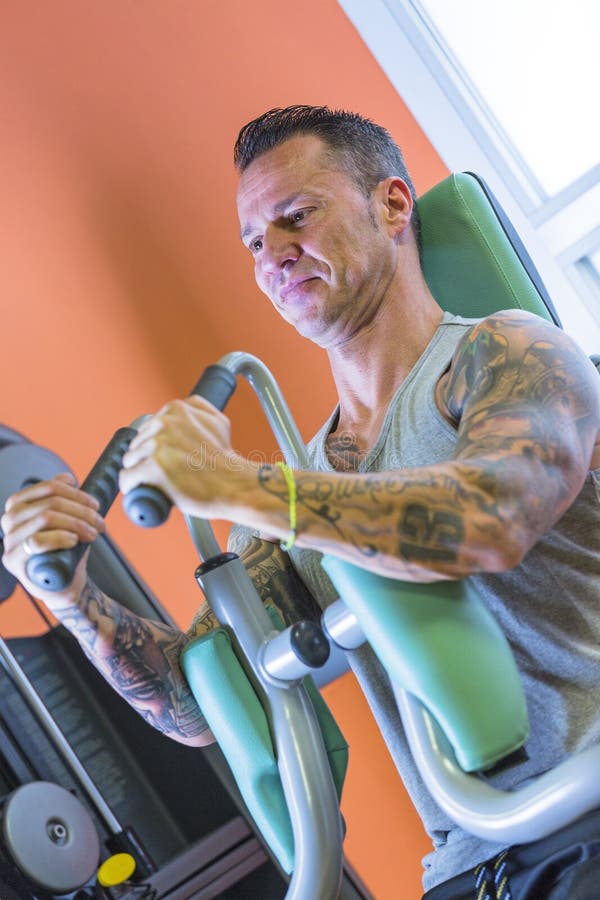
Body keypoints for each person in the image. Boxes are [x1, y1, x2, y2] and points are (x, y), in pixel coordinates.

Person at [2, 105, 600, 898]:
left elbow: (488, 520)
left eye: (296, 217)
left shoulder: (508, 352)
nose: (274, 255)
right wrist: (69, 594)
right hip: (472, 867)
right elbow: (197, 704)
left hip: (583, 805)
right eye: (255, 242)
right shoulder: (304, 486)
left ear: (391, 206)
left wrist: (239, 486)